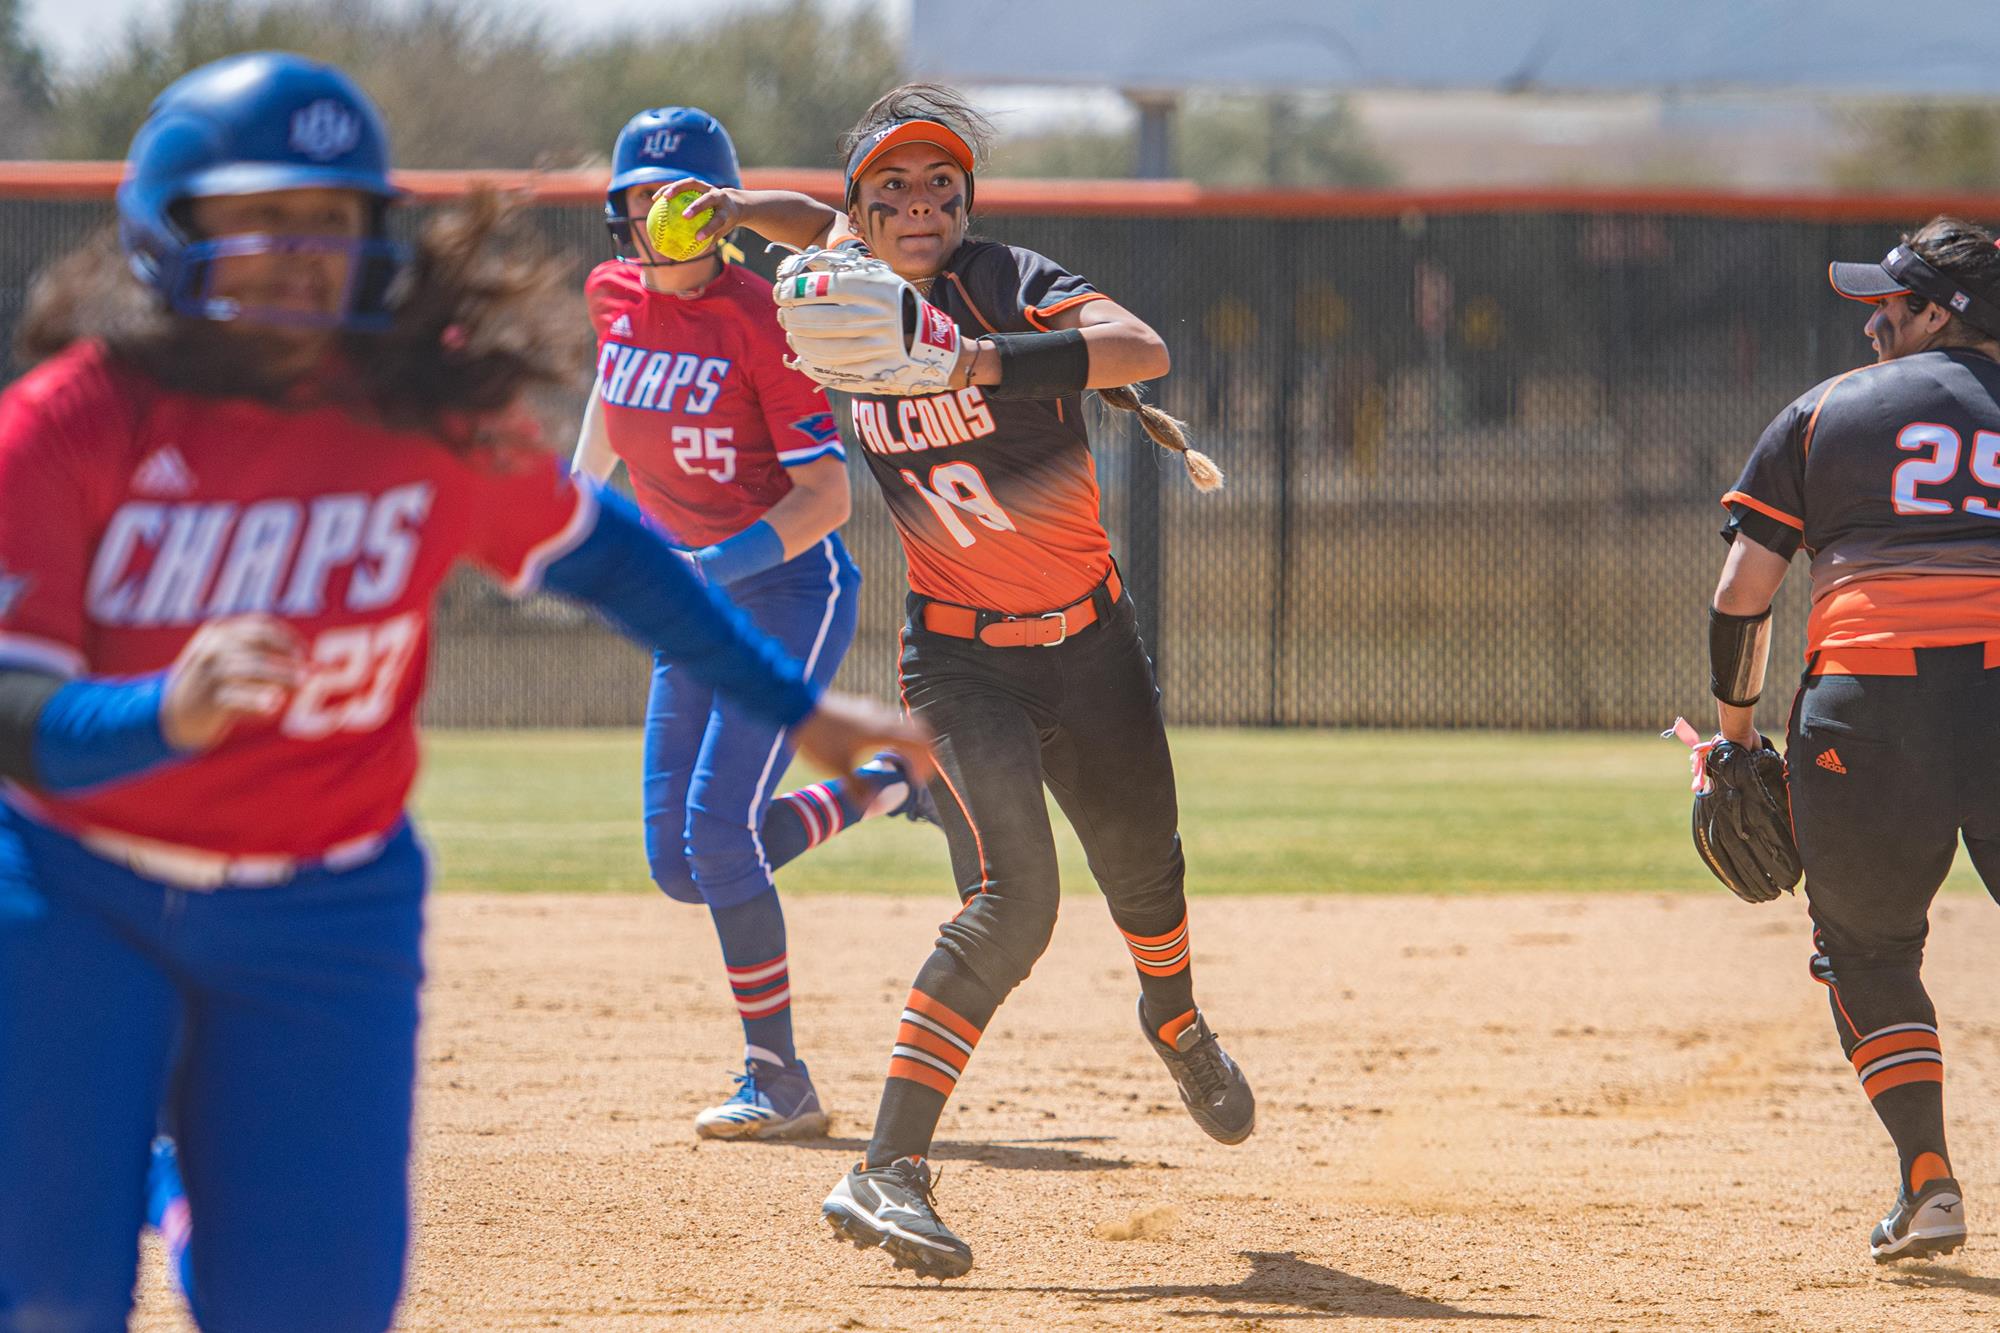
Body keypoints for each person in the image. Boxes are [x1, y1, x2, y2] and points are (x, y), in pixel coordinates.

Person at [0, 53, 927, 1330]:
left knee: (312, 1303)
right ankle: (164, 1169)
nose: (297, 253)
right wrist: (161, 711)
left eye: (330, 219)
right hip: (80, 897)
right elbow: (16, 719)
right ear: (169, 232)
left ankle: (193, 1178)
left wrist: (803, 708)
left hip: (325, 911)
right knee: (51, 1296)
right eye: (256, 218)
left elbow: (604, 552)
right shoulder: (69, 424)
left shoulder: (418, 409)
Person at [666, 83, 1249, 1278]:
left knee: (1145, 871)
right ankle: (887, 1169)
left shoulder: (1007, 281)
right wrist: (725, 209)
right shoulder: (841, 277)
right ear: (858, 211)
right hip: (957, 657)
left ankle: (1173, 1018)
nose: (917, 204)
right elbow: (793, 221)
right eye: (890, 188)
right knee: (1013, 901)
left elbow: (1143, 348)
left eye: (939, 184)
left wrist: (980, 355)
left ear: (966, 203)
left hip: (1088, 642)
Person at [578, 105, 938, 1141]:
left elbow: (824, 499)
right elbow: (611, 394)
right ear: (622, 213)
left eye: (690, 195)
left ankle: (777, 1078)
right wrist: (575, 502)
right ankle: (892, 782)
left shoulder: (763, 317)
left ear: (723, 214)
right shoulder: (609, 294)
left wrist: (703, 568)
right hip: (691, 601)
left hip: (784, 590)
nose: (669, 214)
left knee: (716, 835)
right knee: (679, 864)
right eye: (649, 195)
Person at [1706, 215, 2000, 1263]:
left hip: (1867, 705)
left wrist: (1733, 742)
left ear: (1937, 313)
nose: (1872, 318)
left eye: (1888, 300)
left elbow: (1743, 593)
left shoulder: (1820, 412)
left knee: (1864, 949)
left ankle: (1926, 1185)